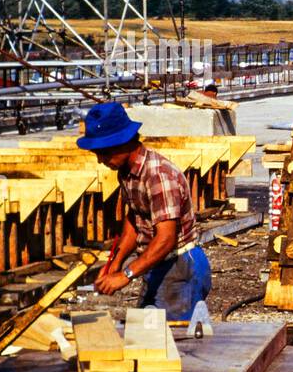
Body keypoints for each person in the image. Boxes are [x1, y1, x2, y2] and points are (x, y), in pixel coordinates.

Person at [78, 102, 212, 320]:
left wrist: (126, 274)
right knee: (147, 332)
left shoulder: (159, 176)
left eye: (104, 153)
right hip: (156, 263)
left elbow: (166, 239)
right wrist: (116, 263)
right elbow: (135, 219)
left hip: (178, 265)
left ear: (123, 143)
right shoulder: (126, 172)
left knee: (173, 343)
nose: (101, 161)